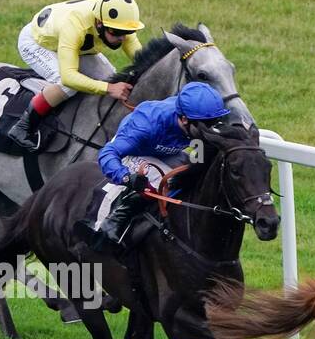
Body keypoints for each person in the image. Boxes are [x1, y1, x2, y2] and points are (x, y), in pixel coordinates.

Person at [88, 82, 231, 250]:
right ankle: (112, 222)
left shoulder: (196, 119)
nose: (211, 130)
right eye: (206, 125)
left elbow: (201, 149)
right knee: (160, 177)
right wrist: (126, 177)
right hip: (136, 151)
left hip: (170, 150)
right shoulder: (146, 125)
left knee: (198, 171)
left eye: (214, 122)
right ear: (184, 119)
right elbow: (107, 153)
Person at [7, 0, 144, 150]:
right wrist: (109, 88)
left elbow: (142, 59)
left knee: (109, 76)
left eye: (127, 33)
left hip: (73, 45)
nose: (122, 38)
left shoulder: (120, 24)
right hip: (37, 42)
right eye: (116, 33)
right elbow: (69, 77)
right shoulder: (75, 25)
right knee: (68, 85)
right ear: (99, 23)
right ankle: (23, 127)